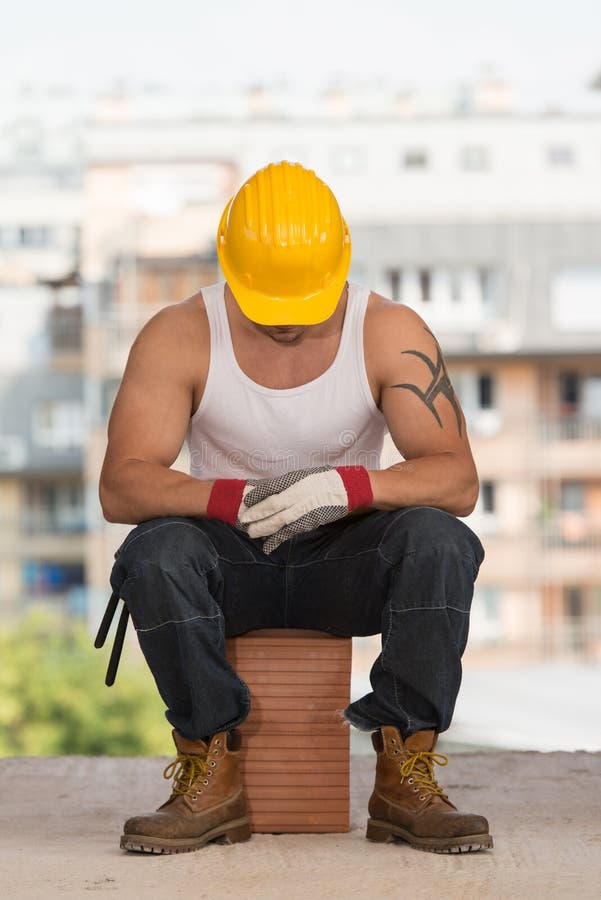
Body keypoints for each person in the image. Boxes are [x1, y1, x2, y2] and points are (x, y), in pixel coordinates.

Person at [100, 160, 492, 855]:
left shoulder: (388, 330)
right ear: (230, 268)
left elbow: (457, 480)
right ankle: (211, 770)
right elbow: (121, 487)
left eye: (303, 304)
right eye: (267, 304)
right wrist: (231, 499)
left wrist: (346, 488)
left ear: (340, 264)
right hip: (228, 563)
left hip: (346, 563)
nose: (285, 323)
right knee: (155, 552)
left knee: (439, 540)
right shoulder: (179, 333)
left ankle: (404, 775)